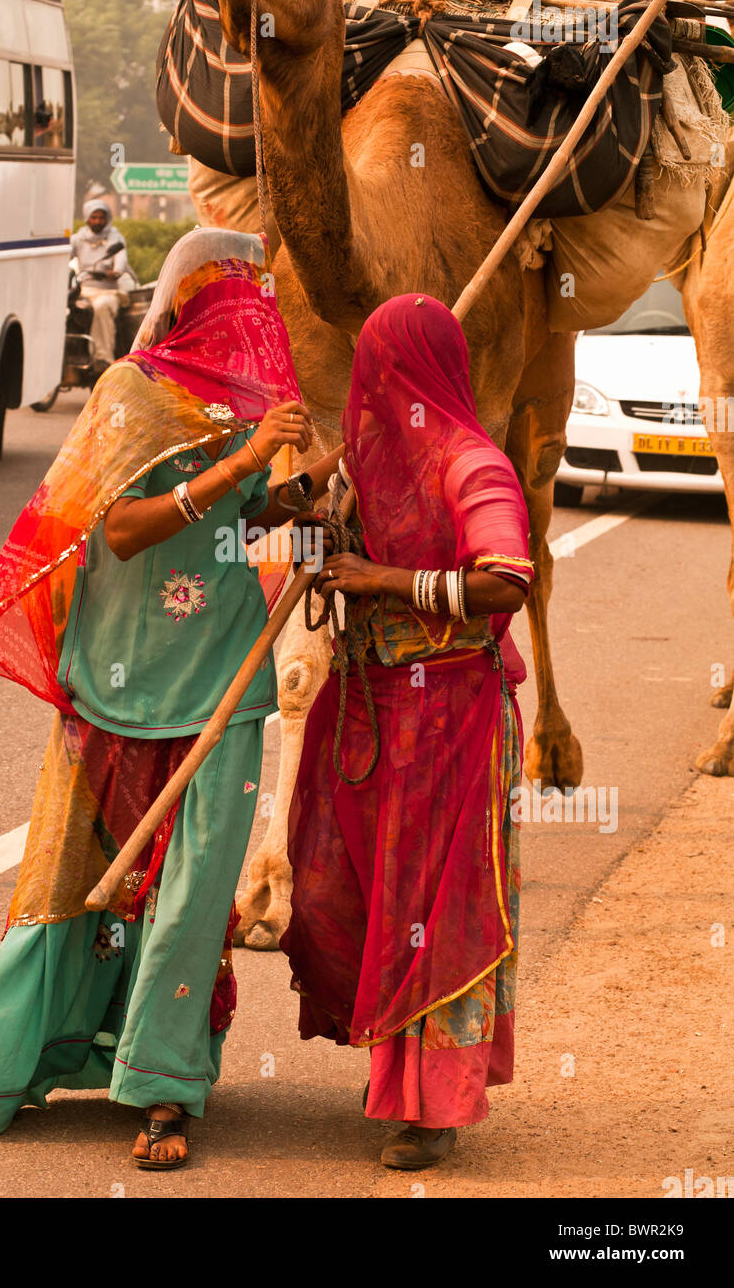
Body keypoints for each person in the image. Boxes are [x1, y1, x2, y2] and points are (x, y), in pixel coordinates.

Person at [0, 229, 340, 1169]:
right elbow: (120, 533)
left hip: (221, 688)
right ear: (192, 302)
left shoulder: (246, 407)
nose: (254, 318)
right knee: (71, 884)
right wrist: (238, 467)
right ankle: (6, 1065)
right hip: (113, 686)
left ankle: (161, 1093)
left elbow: (240, 531)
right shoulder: (128, 395)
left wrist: (302, 489)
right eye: (236, 297)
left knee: (193, 899)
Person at [280, 294, 535, 1170]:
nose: (369, 387)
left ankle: (432, 1106)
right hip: (369, 706)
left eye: (381, 370)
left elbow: (506, 580)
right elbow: (331, 550)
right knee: (332, 888)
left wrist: (384, 579)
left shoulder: (474, 466)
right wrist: (309, 527)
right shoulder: (368, 465)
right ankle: (392, 1057)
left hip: (453, 714)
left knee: (434, 908)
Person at [71, 201, 134, 367]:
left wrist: (111, 273)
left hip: (108, 292)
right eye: (94, 217)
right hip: (83, 291)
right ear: (87, 218)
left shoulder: (115, 239)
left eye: (101, 218)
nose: (98, 221)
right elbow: (62, 257)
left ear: (107, 219)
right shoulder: (78, 239)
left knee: (101, 307)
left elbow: (120, 265)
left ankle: (102, 358)